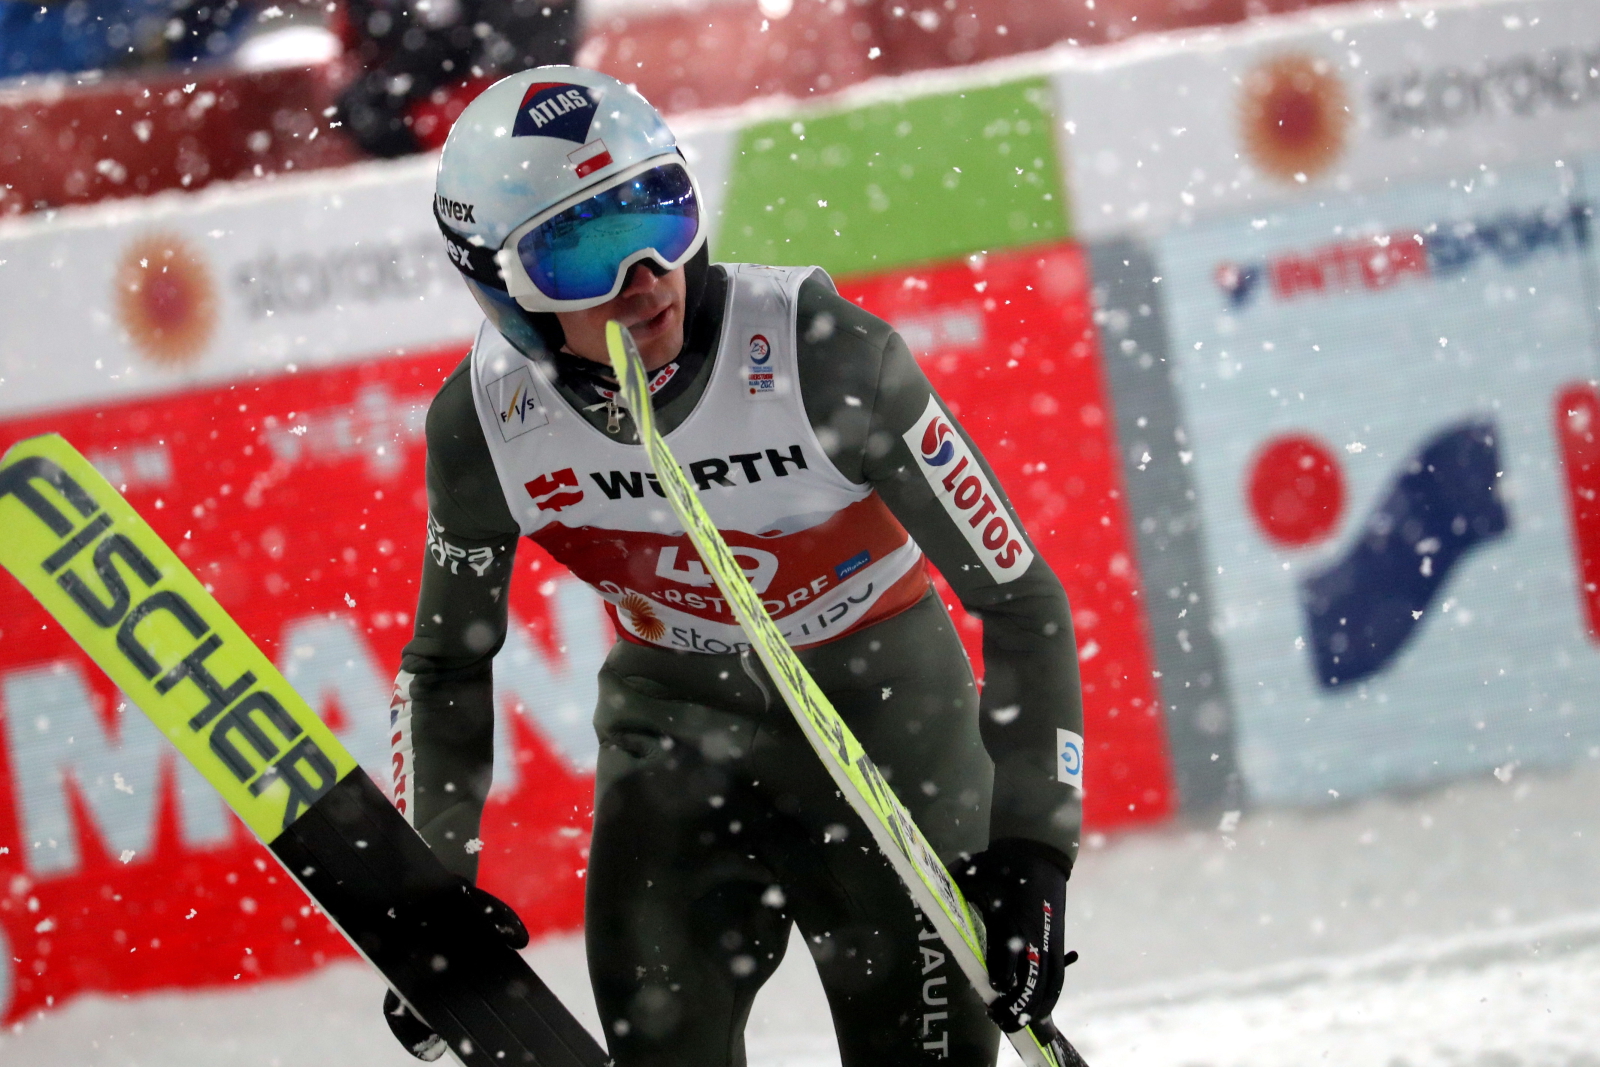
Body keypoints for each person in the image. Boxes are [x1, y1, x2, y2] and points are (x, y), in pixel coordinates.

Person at [387, 65, 1086, 1067]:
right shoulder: (487, 427)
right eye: (582, 247)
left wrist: (1031, 851)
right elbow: (445, 664)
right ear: (502, 286)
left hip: (891, 736)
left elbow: (1020, 600)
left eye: (660, 211)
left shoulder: (825, 355)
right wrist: (433, 885)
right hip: (678, 747)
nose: (645, 276)